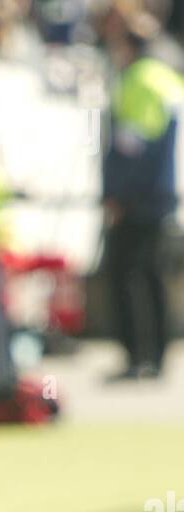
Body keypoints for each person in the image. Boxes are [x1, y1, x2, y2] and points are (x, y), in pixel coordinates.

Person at [101, 10, 184, 379]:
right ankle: (157, 357)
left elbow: (133, 146)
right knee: (153, 278)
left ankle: (138, 358)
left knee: (128, 276)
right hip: (164, 195)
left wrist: (117, 194)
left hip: (139, 198)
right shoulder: (167, 78)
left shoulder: (137, 80)